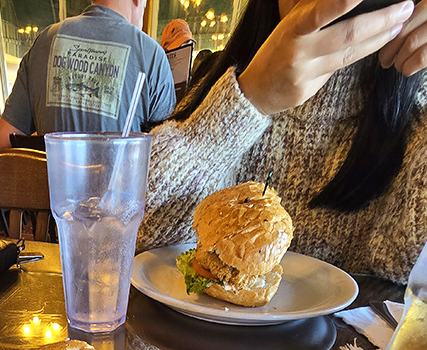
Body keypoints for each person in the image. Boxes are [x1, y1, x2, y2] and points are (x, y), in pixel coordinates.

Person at [138, 0, 427, 283]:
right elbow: (135, 238)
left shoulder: (417, 119)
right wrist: (244, 101)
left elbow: (407, 281)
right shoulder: (216, 84)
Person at [0, 0, 176, 149]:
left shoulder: (45, 40)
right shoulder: (152, 54)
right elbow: (165, 153)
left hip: (49, 190)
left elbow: (5, 139)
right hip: (121, 192)